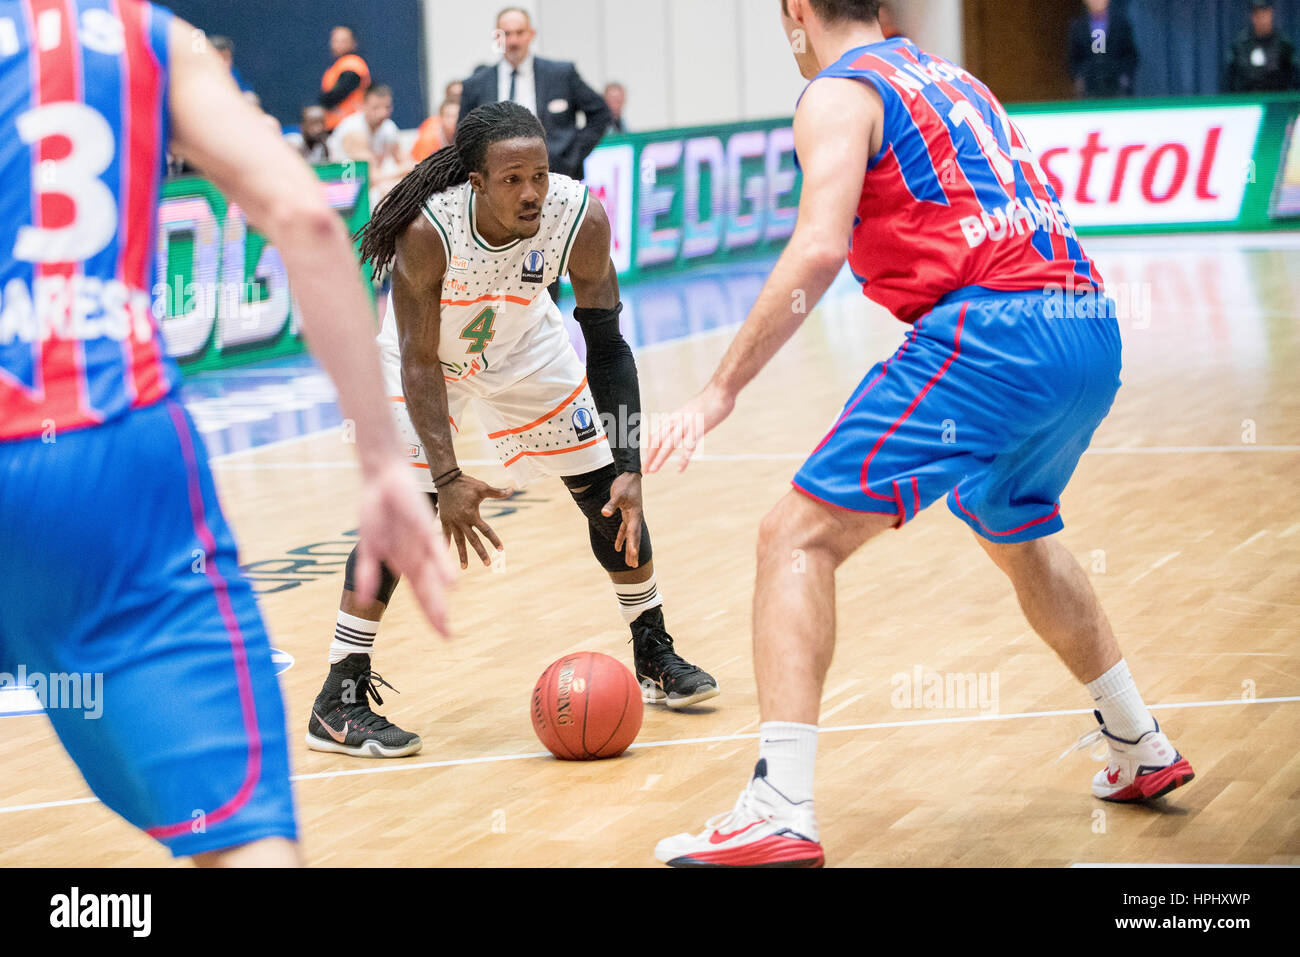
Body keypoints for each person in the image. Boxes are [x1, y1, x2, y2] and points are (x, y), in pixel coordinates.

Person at [647, 0, 1193, 868]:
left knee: (794, 538)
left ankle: (780, 804)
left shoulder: (838, 92)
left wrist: (720, 389)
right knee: (1013, 523)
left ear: (796, 10)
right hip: (1086, 322)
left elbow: (819, 250)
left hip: (995, 333)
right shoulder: (950, 77)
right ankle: (1137, 742)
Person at [0, 0, 453, 866]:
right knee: (242, 842)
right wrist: (382, 461)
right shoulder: (149, 37)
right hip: (114, 450)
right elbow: (309, 219)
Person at [304, 102, 718, 759]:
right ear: (476, 182)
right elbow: (416, 359)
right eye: (512, 179)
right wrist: (445, 475)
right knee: (404, 510)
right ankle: (339, 694)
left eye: (540, 175)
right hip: (426, 362)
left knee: (608, 493)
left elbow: (607, 346)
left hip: (526, 346)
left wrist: (630, 462)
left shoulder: (578, 216)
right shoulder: (427, 230)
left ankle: (652, 647)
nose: (531, 192)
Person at [458, 7, 611, 182]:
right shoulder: (476, 84)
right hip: (498, 184)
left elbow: (600, 113)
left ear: (531, 34)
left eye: (519, 32)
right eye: (506, 34)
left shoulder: (561, 74)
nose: (513, 41)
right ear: (497, 37)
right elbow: (463, 136)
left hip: (557, 176)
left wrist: (573, 155)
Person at [328, 85, 411, 200]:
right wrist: (403, 170)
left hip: (369, 187)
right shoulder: (353, 130)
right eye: (376, 108)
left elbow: (409, 163)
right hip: (342, 190)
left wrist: (406, 170)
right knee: (389, 191)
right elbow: (371, 177)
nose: (383, 113)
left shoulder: (389, 127)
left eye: (387, 107)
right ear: (363, 106)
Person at [1069, 0, 1138, 98]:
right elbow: (1073, 58)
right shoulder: (1078, 27)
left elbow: (1131, 55)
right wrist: (1080, 79)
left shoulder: (1121, 24)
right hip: (1089, 90)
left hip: (1117, 88)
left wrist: (1124, 77)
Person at [1226, 0, 1297, 93]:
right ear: (1252, 17)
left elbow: (1294, 78)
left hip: (1276, 102)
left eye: (1265, 13)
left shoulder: (1284, 45)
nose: (1261, 18)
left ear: (1271, 13)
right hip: (1248, 102)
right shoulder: (1239, 45)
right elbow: (1230, 79)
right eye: (1257, 14)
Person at [321, 24, 371, 131]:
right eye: (335, 41)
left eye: (343, 41)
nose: (337, 45)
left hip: (349, 125)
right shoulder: (338, 65)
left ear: (354, 43)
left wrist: (323, 100)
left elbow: (337, 94)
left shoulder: (352, 64)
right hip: (336, 124)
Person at [411, 99, 460, 163]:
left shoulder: (468, 136)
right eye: (449, 116)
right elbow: (420, 169)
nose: (454, 120)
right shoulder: (427, 140)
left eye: (457, 116)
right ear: (440, 119)